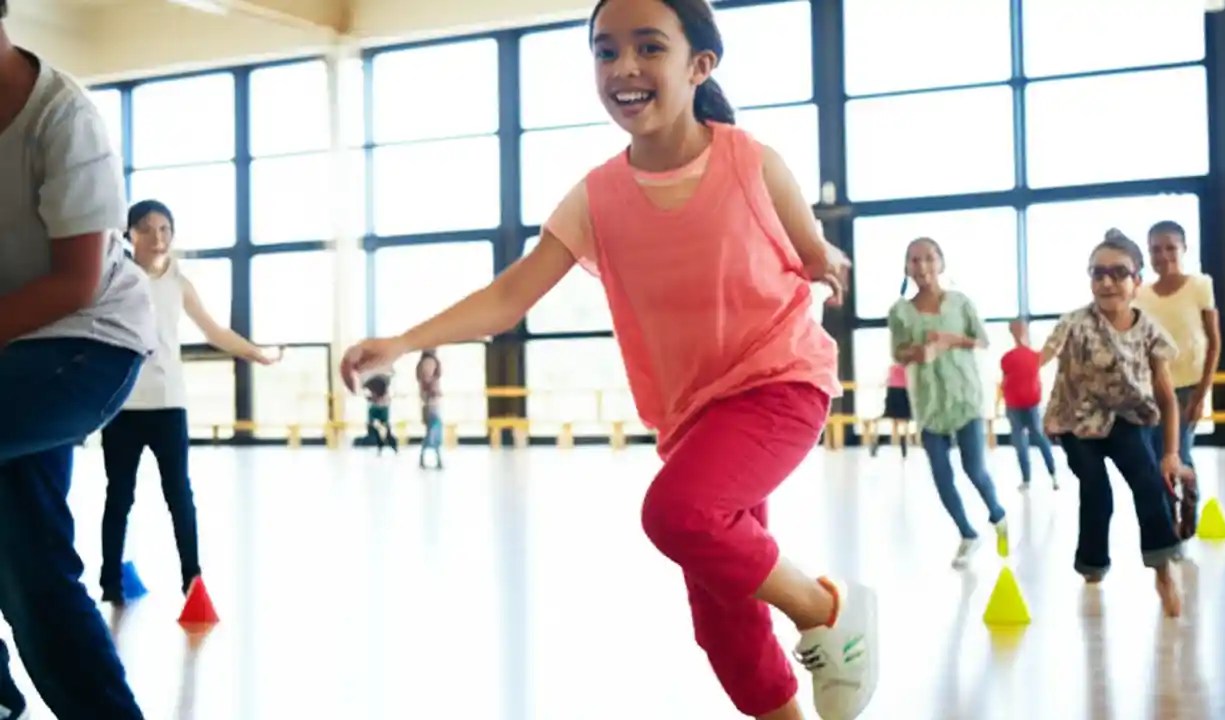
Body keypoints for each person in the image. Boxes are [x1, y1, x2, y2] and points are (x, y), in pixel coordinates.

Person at [340, 1, 877, 717]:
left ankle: (824, 610)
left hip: (781, 383)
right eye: (605, 51)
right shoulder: (597, 196)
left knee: (680, 514)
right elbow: (508, 297)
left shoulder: (751, 161)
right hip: (695, 416)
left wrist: (829, 261)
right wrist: (404, 341)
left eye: (648, 47)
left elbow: (812, 253)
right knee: (721, 614)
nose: (623, 67)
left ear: (700, 66)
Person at [0, 3, 151, 715]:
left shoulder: (61, 117)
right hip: (11, 352)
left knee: (32, 560)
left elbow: (74, 281)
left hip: (88, 344)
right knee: (33, 567)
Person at [99, 199, 280, 606]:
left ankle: (191, 581)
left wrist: (255, 352)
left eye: (164, 229)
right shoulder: (115, 278)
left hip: (168, 405)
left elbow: (215, 331)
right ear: (130, 235)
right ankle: (109, 581)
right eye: (146, 228)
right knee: (119, 496)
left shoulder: (179, 284)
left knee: (178, 494)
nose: (157, 237)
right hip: (122, 407)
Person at [1039, 229, 1185, 617]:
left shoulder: (1149, 330)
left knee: (1148, 483)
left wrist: (1170, 453)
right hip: (1076, 421)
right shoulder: (1074, 322)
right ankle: (1092, 564)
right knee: (1096, 489)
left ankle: (1162, 567)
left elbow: (1167, 398)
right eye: (1097, 273)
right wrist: (1024, 370)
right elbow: (1043, 354)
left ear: (1137, 281)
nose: (1106, 282)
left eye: (1118, 273)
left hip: (1128, 417)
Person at [889, 237, 1009, 569]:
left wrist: (949, 340)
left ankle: (998, 514)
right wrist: (918, 352)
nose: (922, 266)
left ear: (941, 263)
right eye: (914, 260)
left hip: (965, 398)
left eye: (928, 258)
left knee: (974, 468)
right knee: (941, 475)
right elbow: (897, 352)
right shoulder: (899, 312)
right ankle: (968, 533)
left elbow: (981, 340)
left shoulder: (960, 303)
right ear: (907, 267)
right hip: (927, 403)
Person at [1134, 220, 1219, 537]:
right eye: (1156, 249)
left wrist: (1200, 395)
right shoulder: (1141, 294)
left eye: (1170, 247)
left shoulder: (1200, 286)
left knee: (1178, 453)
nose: (1163, 254)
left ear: (1183, 249)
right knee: (1158, 457)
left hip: (1187, 388)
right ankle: (1169, 519)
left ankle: (1187, 501)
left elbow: (1214, 341)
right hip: (1152, 388)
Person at [1000, 319, 1058, 490]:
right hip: (1015, 405)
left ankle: (1052, 475)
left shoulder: (1034, 356)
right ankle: (1027, 479)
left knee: (1038, 439)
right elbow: (1006, 380)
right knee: (1021, 444)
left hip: (1030, 404)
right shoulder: (1009, 358)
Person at [870, 363, 910, 458]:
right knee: (903, 421)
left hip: (892, 393)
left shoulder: (893, 367)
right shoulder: (908, 367)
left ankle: (879, 442)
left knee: (890, 419)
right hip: (903, 393)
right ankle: (903, 445)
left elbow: (888, 380)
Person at [416, 350, 444, 470]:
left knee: (434, 434)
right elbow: (427, 388)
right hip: (430, 407)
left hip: (432, 406)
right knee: (432, 434)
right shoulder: (428, 381)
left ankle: (435, 459)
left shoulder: (431, 379)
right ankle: (427, 458)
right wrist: (435, 391)